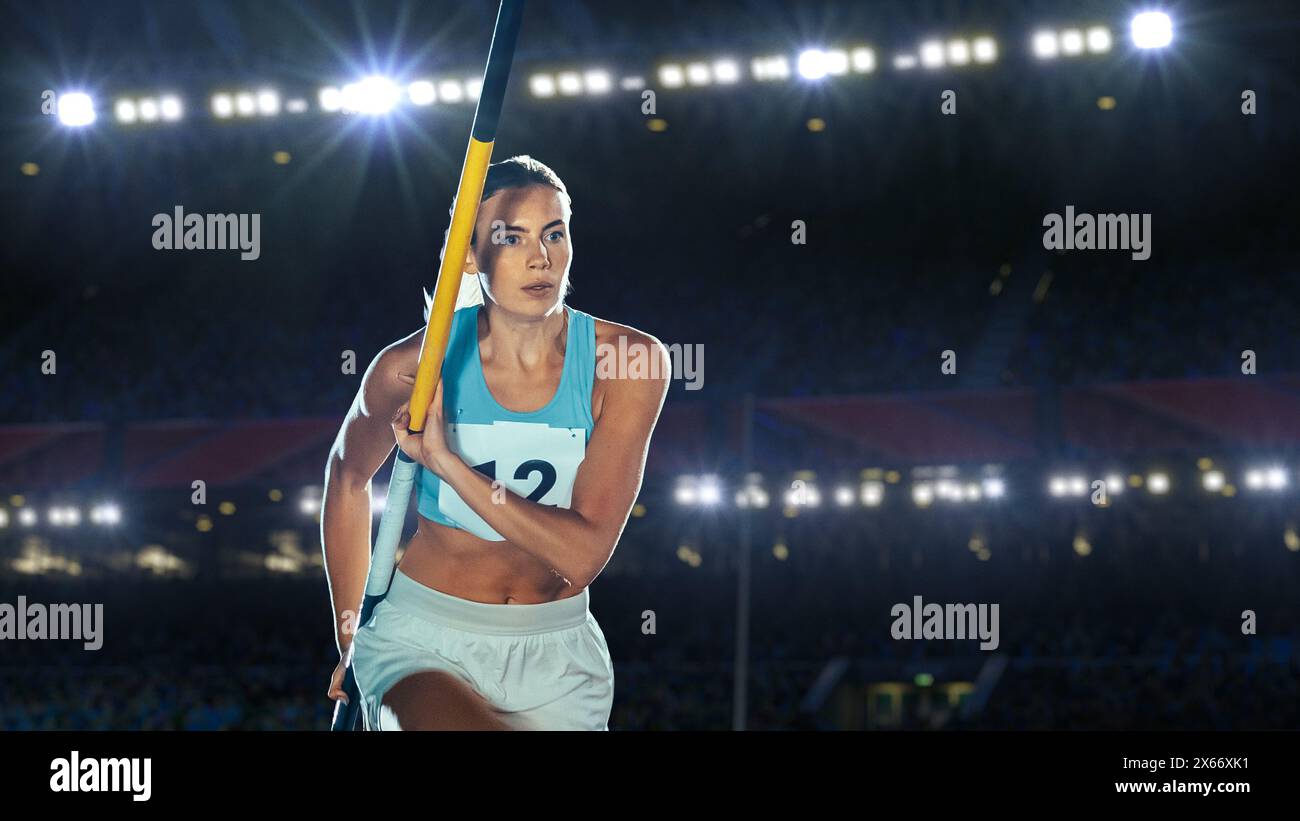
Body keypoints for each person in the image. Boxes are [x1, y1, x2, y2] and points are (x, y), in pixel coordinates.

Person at [323, 155, 670, 729]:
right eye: (511, 238)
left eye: (554, 234)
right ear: (470, 254)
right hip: (424, 643)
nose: (541, 257)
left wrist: (445, 462)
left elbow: (582, 556)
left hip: (556, 653)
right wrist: (349, 627)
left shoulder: (628, 362)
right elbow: (347, 479)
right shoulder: (411, 369)